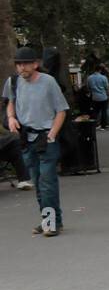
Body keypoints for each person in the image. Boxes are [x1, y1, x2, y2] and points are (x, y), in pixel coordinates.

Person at [5, 47, 68, 235]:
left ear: (35, 64)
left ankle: (51, 223)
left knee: (47, 181)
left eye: (25, 64)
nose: (21, 68)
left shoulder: (48, 82)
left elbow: (61, 110)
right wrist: (11, 118)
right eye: (18, 64)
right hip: (26, 138)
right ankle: (49, 220)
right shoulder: (13, 82)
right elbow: (10, 102)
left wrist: (52, 134)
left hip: (46, 137)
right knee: (38, 182)